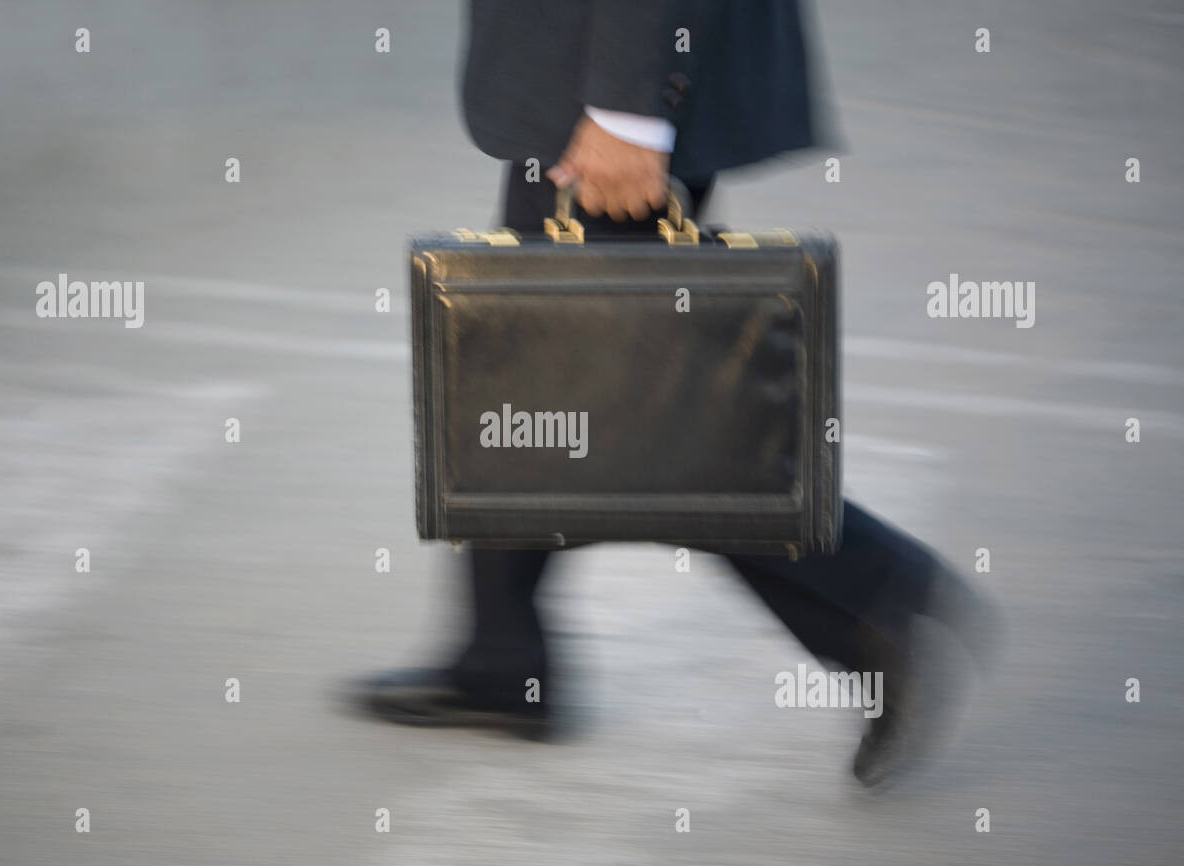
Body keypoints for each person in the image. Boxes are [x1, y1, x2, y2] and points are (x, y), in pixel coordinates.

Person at [353, 0, 1000, 787]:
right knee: (538, 358)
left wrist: (628, 107)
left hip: (618, 66)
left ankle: (872, 590)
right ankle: (500, 653)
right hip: (597, 62)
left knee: (637, 399)